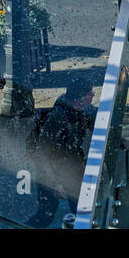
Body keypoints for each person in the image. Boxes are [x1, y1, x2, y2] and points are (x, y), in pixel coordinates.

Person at [26, 81, 96, 228]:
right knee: (45, 216)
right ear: (80, 97)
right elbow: (41, 153)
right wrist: (53, 182)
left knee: (82, 214)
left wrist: (123, 142)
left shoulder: (83, 111)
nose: (93, 95)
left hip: (73, 170)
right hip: (52, 171)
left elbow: (100, 126)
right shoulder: (58, 117)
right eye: (90, 93)